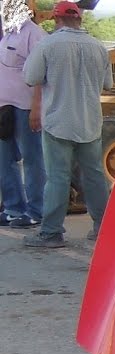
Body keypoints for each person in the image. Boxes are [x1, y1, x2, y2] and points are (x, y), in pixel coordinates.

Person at [22, 0, 111, 249]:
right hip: (90, 122)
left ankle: (51, 232)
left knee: (58, 178)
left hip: (58, 121)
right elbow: (108, 85)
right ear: (79, 19)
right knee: (94, 176)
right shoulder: (98, 47)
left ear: (57, 19)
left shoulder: (47, 44)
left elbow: (30, 77)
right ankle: (103, 228)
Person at [0, 0, 46, 228]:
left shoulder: (34, 34)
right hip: (5, 107)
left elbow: (40, 74)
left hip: (26, 107)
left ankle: (37, 210)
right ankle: (13, 208)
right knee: (5, 159)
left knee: (32, 159)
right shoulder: (8, 33)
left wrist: (37, 107)